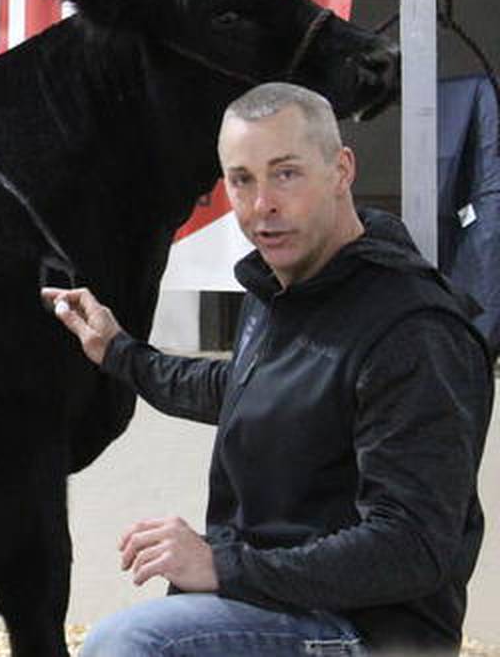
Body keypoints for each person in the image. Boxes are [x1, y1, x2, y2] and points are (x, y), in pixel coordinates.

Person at [45, 81, 493, 656]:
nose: (262, 206)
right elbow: (248, 389)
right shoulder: (285, 292)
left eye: (286, 173)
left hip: (370, 634)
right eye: (242, 180)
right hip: (282, 608)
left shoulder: (414, 331)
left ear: (342, 169)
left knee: (134, 643)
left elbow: (412, 546)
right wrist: (118, 351)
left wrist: (221, 564)